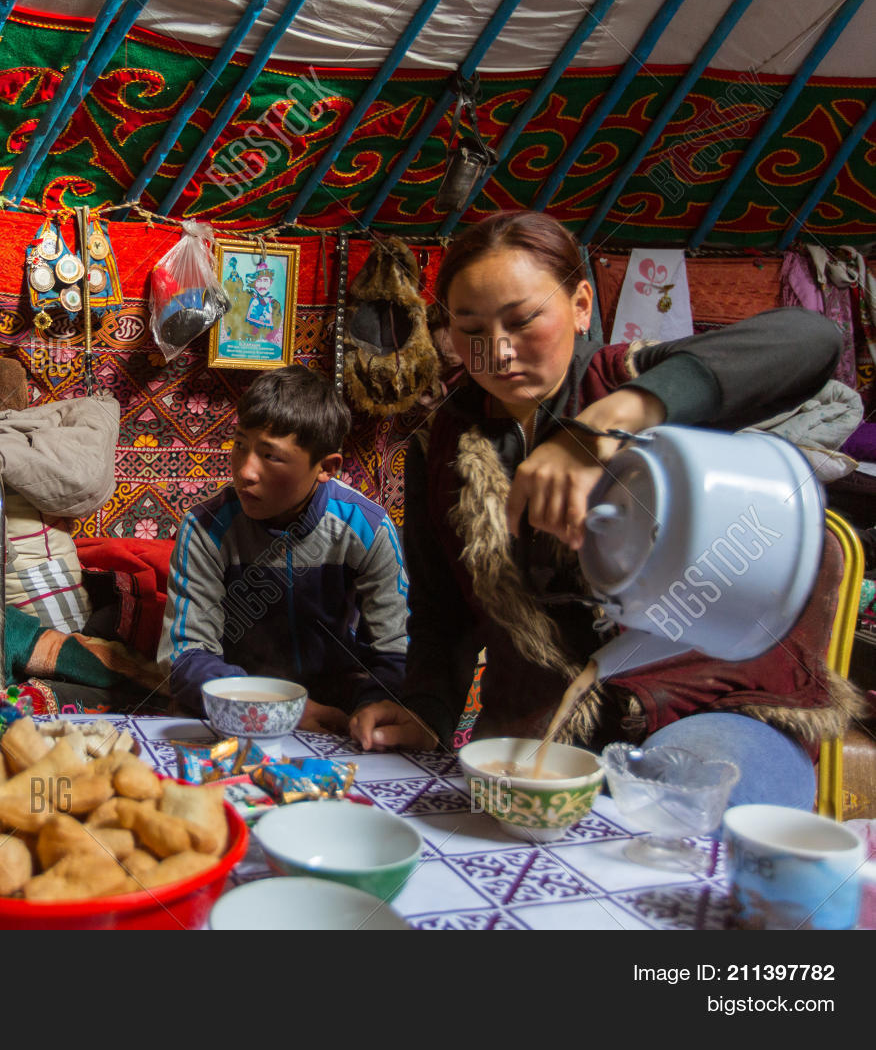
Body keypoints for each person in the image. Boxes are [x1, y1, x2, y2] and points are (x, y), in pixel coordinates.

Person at [350, 210, 859, 808]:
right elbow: (442, 616)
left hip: (703, 705)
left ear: (582, 305)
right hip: (541, 721)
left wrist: (607, 422)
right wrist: (426, 709)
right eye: (470, 328)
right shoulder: (441, 445)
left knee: (685, 815)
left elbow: (811, 340)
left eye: (523, 319)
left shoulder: (634, 381)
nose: (498, 352)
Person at [159, 365, 407, 737]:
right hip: (240, 711)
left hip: (340, 716)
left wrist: (372, 706)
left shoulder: (367, 530)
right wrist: (272, 705)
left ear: (326, 467)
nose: (245, 471)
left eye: (270, 456)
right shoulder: (205, 529)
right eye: (240, 445)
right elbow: (184, 657)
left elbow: (396, 651)